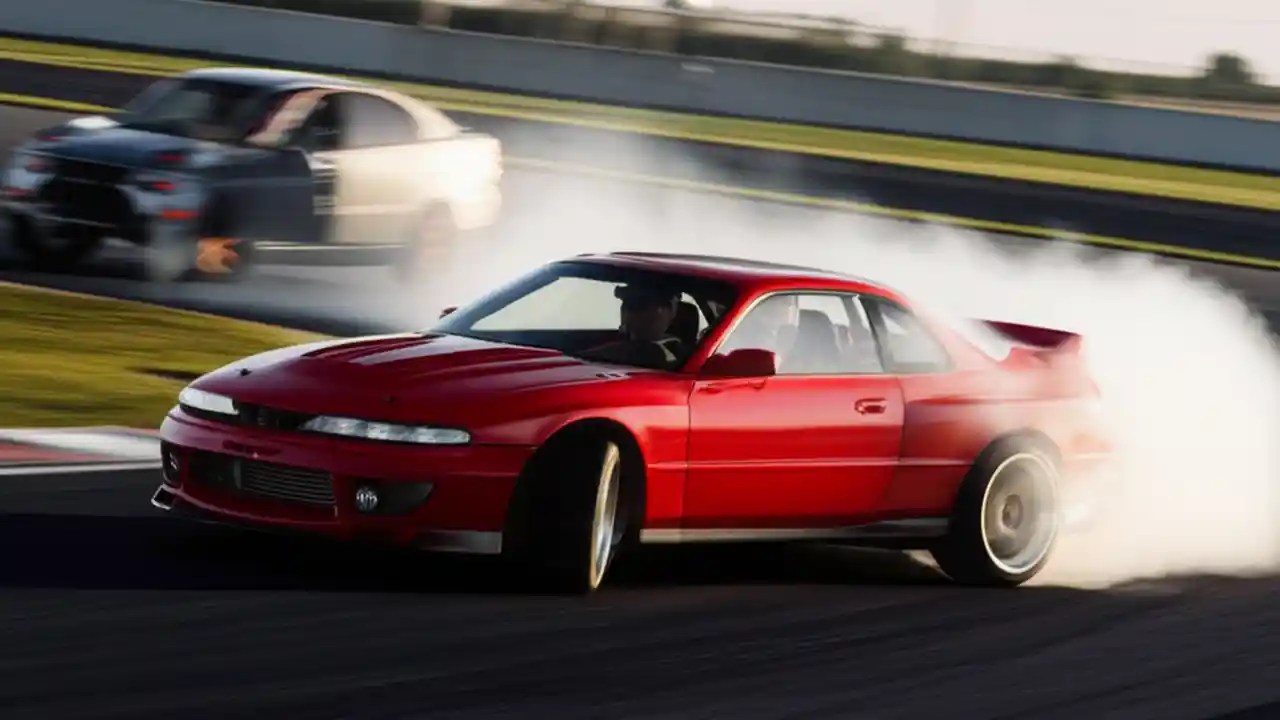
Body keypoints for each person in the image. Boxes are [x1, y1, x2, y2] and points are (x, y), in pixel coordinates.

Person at [587, 283, 685, 368]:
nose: (629, 313)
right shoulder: (615, 349)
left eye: (641, 306)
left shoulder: (668, 354)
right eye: (631, 305)